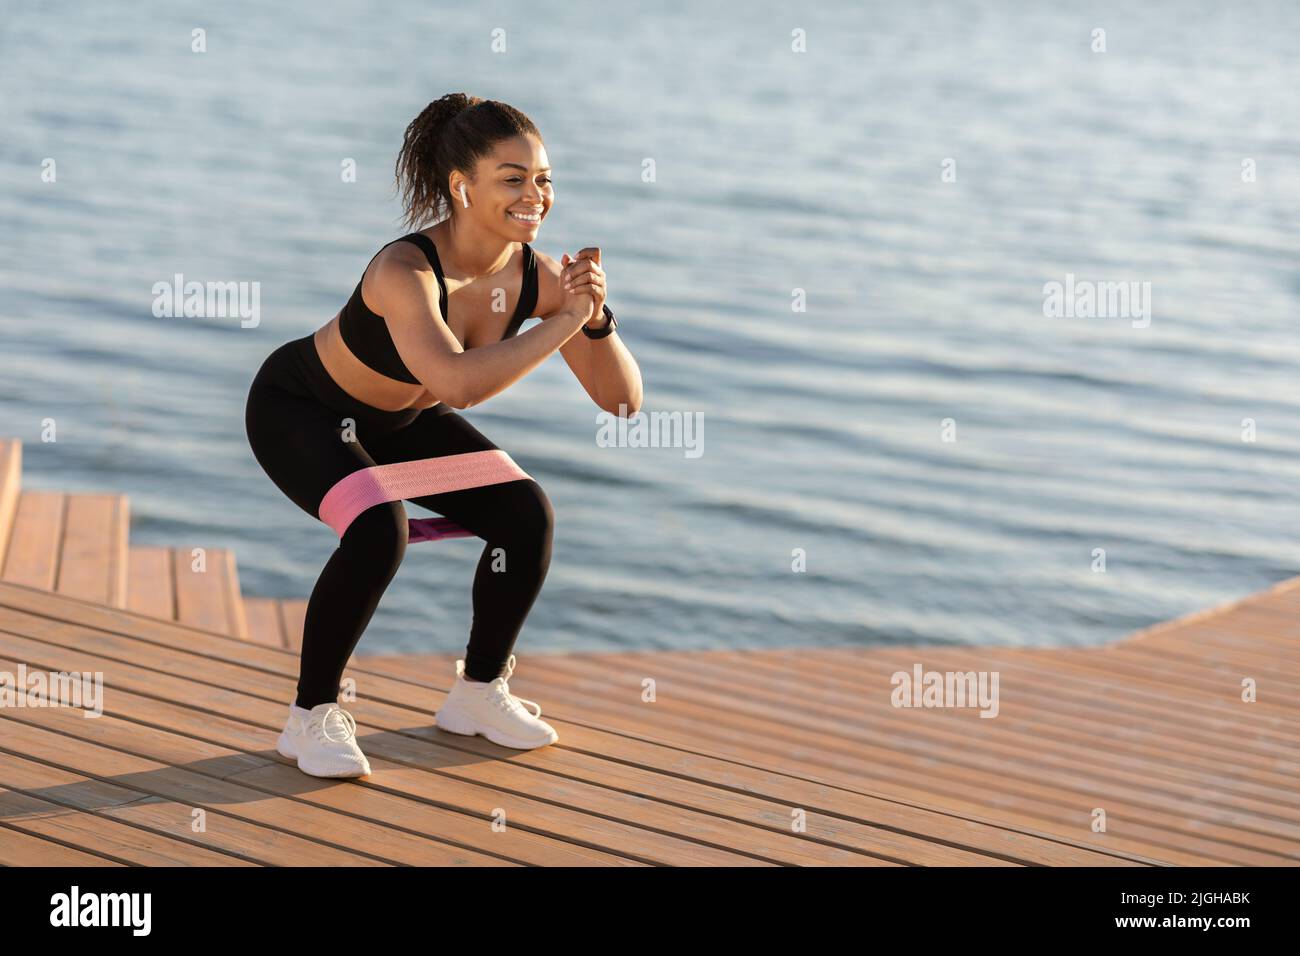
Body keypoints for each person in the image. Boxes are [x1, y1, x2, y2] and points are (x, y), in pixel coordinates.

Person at [243, 93, 642, 778]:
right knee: (378, 528)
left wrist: (595, 318)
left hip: (402, 420)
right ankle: (309, 719)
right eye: (513, 179)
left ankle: (478, 694)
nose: (535, 195)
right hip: (300, 409)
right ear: (461, 188)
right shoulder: (405, 271)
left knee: (525, 513)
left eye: (543, 178)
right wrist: (565, 320)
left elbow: (623, 402)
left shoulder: (537, 280)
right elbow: (458, 383)